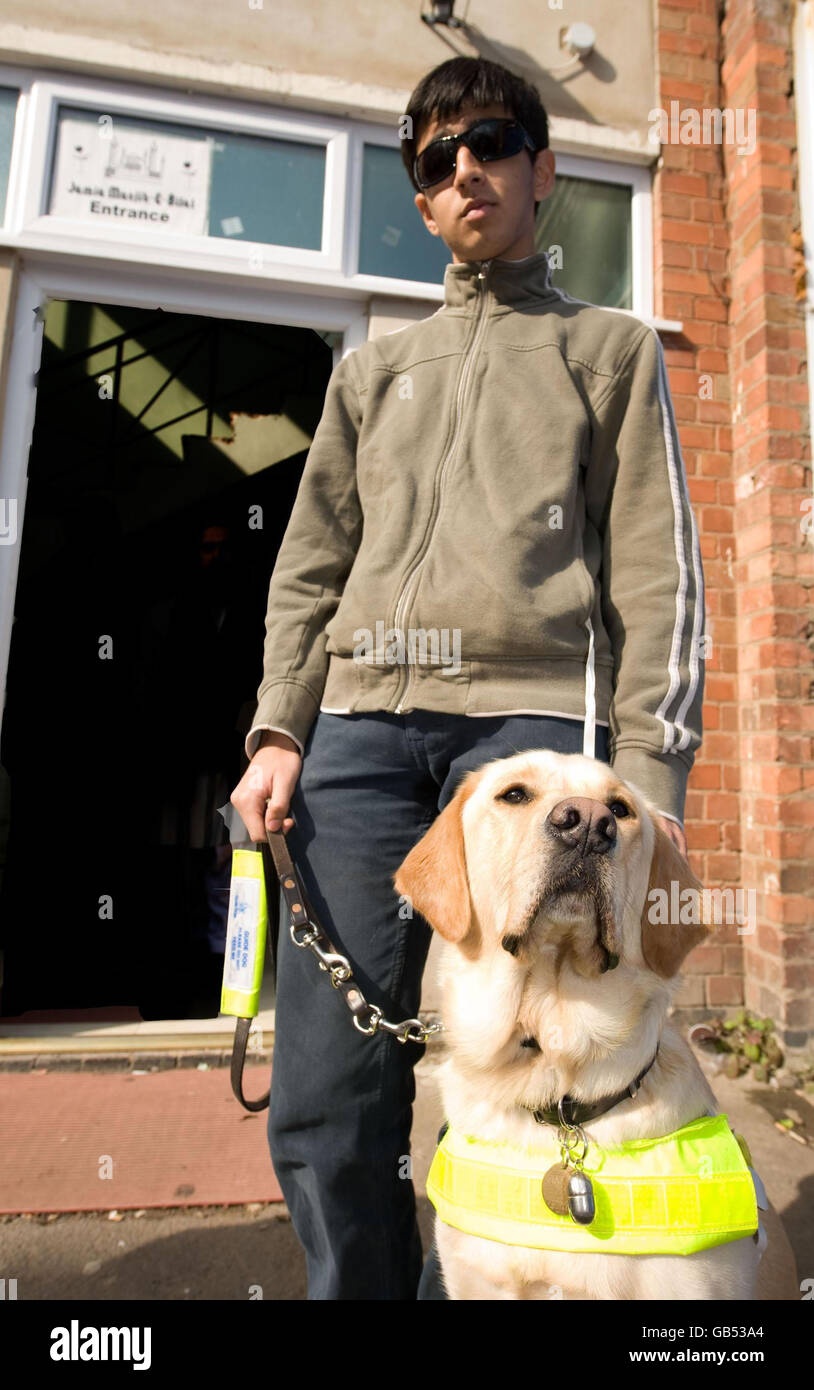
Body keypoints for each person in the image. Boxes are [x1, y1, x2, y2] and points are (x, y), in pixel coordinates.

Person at [230, 55, 705, 1300]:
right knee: (331, 1088)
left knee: (534, 1065)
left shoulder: (608, 352)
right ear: (425, 201)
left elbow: (658, 576)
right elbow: (310, 563)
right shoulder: (373, 371)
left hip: (528, 734)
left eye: (488, 141)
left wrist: (647, 783)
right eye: (432, 162)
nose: (463, 172)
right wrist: (281, 727)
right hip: (360, 740)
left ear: (542, 169)